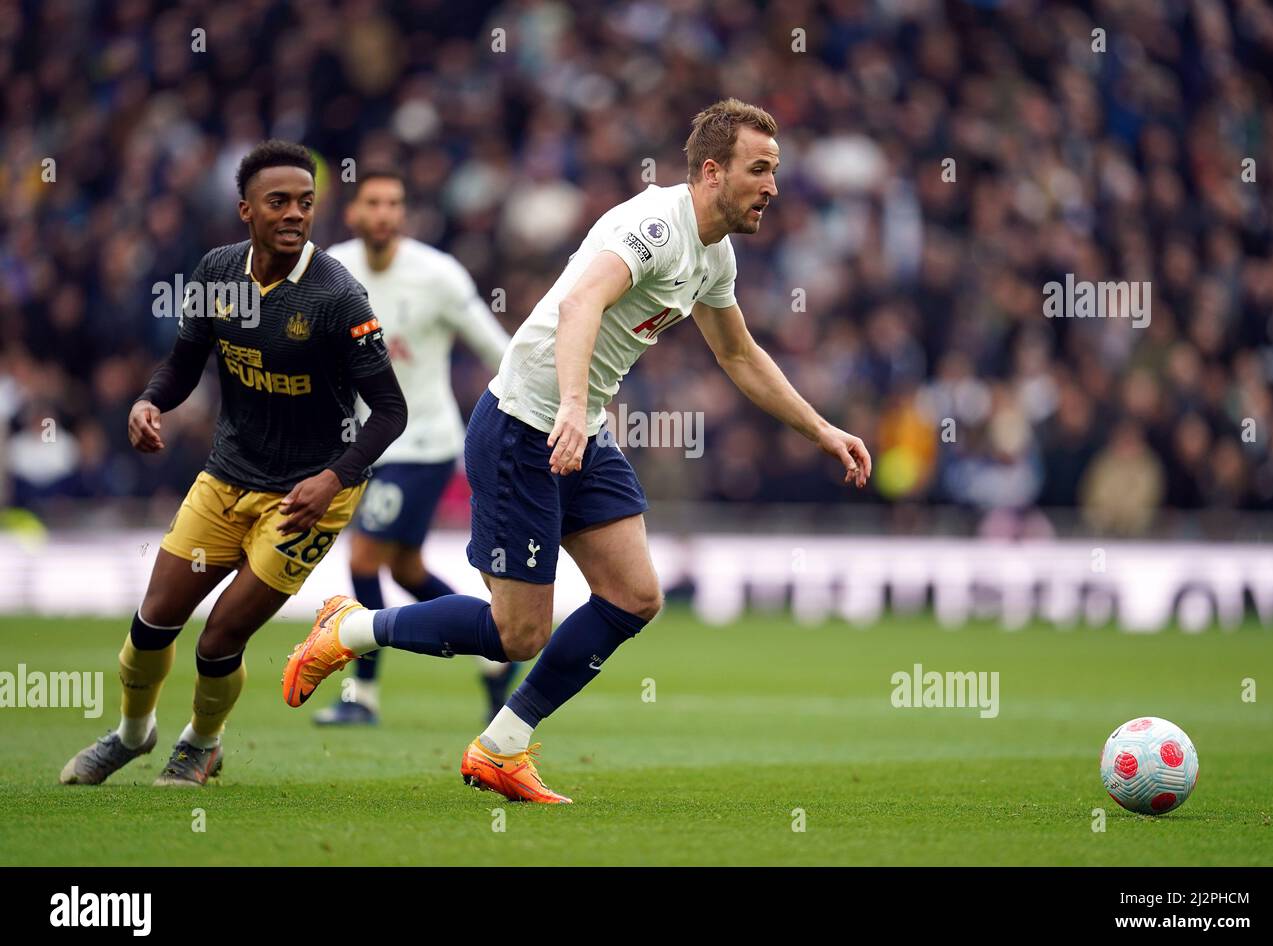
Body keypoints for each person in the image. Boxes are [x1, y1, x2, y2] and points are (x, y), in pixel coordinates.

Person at [283, 100, 870, 803]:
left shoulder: (715, 254)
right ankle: (351, 628)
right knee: (518, 633)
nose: (774, 185)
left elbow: (739, 354)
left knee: (634, 596)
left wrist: (822, 429)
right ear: (713, 172)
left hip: (577, 427)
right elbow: (580, 304)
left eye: (775, 169)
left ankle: (501, 747)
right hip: (524, 425)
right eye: (760, 169)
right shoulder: (652, 227)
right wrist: (568, 404)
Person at [60, 141, 406, 787]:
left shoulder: (338, 298)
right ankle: (134, 735)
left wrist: (332, 477)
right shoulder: (217, 272)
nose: (295, 214)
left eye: (305, 202)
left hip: (309, 496)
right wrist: (148, 401)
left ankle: (201, 743)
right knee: (152, 621)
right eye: (279, 202)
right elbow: (185, 362)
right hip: (225, 478)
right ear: (246, 209)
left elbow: (389, 411)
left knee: (219, 639)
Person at [313, 170, 517, 727]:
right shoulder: (331, 267)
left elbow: (497, 348)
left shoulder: (438, 275)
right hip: (364, 446)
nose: (383, 213)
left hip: (422, 443)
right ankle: (493, 650)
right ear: (353, 212)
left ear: (403, 214)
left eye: (394, 204)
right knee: (405, 568)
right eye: (372, 203)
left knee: (362, 557)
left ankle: (364, 696)